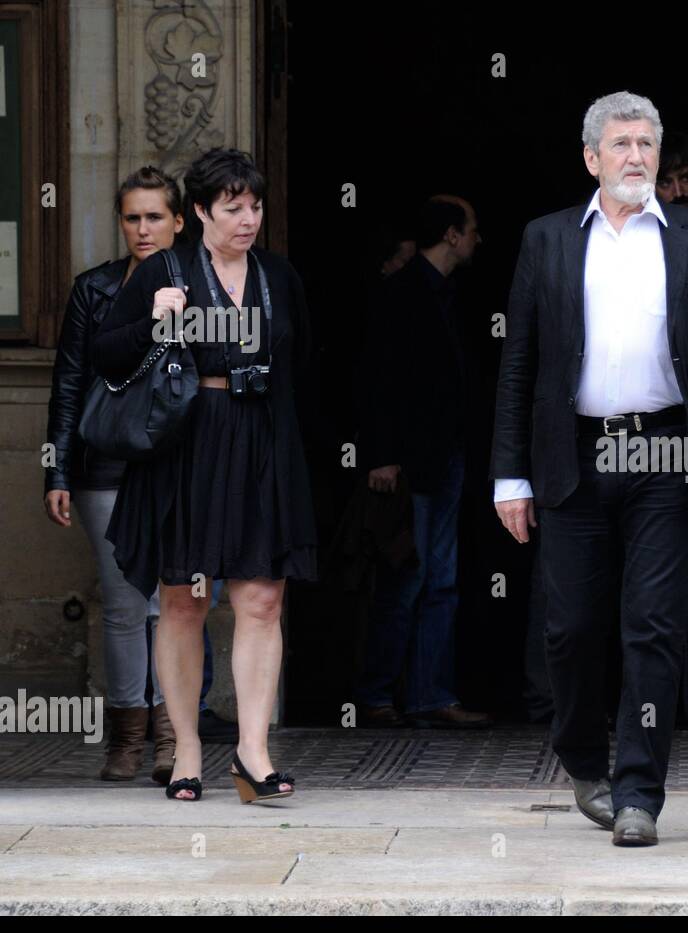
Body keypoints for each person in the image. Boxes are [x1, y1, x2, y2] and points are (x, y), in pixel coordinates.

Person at [491, 91, 688, 846]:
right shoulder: (545, 240)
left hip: (668, 450)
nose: (637, 156)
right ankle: (583, 758)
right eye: (622, 145)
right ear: (591, 158)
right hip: (573, 453)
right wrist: (509, 474)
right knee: (571, 626)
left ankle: (640, 789)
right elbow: (519, 366)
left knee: (653, 626)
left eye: (646, 144)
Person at [92, 148, 317, 803]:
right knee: (184, 600)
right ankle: (186, 746)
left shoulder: (279, 274)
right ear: (198, 212)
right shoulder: (165, 267)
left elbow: (304, 367)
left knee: (262, 599)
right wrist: (152, 318)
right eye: (232, 208)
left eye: (255, 206)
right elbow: (104, 352)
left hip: (261, 440)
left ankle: (253, 751)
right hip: (189, 441)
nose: (248, 219)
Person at [44, 166, 184, 783]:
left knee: (172, 600)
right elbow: (69, 382)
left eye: (156, 216)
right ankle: (126, 737)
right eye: (133, 217)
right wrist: (57, 470)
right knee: (126, 604)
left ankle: (171, 735)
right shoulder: (94, 288)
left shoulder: (203, 285)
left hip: (177, 461)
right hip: (105, 460)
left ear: (180, 221)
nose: (144, 229)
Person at [358, 194, 492, 729]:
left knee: (442, 579)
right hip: (409, 461)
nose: (478, 239)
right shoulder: (400, 292)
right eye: (472, 228)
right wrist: (382, 455)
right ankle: (374, 694)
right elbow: (375, 378)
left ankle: (430, 694)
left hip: (447, 456)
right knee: (405, 577)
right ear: (452, 235)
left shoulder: (454, 294)